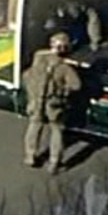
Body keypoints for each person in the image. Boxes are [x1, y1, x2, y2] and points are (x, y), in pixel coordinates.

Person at [22, 31, 82, 173]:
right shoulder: (64, 68)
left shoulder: (38, 59)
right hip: (54, 104)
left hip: (36, 101)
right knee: (57, 130)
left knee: (35, 126)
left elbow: (26, 76)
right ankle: (54, 161)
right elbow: (76, 85)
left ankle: (30, 155)